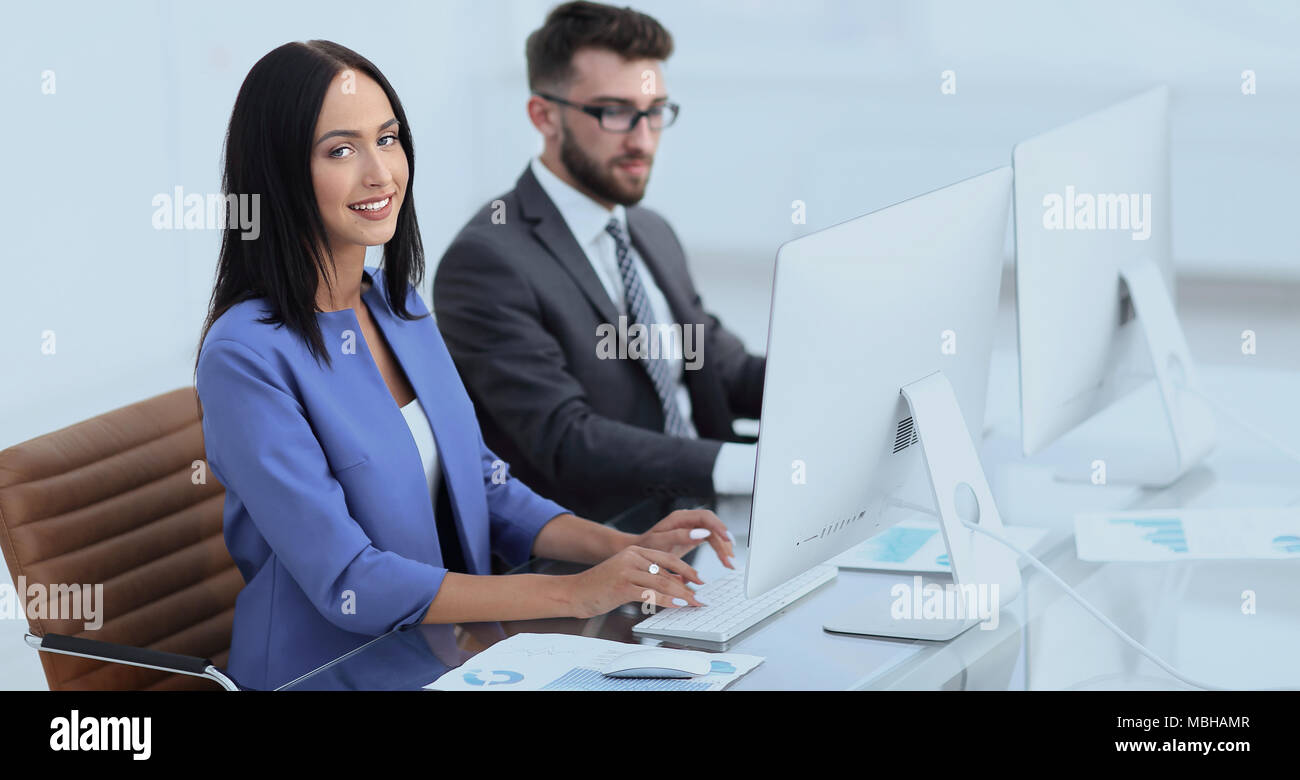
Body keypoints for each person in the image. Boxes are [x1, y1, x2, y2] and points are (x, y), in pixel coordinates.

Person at [195, 40, 733, 691]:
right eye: (341, 150)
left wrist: (621, 549)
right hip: (331, 675)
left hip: (458, 656)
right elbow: (350, 582)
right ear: (279, 173)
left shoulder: (397, 307)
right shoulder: (245, 356)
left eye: (388, 139)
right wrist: (572, 595)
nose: (380, 173)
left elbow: (486, 483)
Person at [434, 1, 765, 521]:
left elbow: (721, 368)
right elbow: (566, 438)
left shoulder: (649, 229)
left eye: (655, 111)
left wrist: (842, 384)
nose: (643, 139)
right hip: (605, 552)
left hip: (716, 521)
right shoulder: (487, 260)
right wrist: (744, 469)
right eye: (615, 112)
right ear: (544, 116)